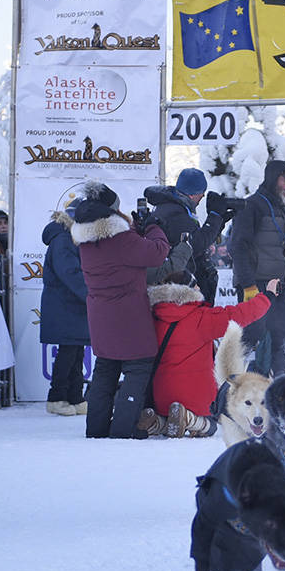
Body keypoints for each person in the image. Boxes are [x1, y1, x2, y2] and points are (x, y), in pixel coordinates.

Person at [73, 182, 170, 438]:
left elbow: (121, 255)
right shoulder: (123, 239)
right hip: (130, 320)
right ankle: (122, 430)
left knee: (105, 372)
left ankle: (96, 429)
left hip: (101, 319)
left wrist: (136, 231)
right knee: (137, 371)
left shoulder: (86, 241)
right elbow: (158, 253)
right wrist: (152, 227)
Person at [143, 273, 278, 439]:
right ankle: (188, 418)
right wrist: (268, 296)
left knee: (165, 413)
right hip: (195, 398)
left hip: (160, 394)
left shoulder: (152, 317)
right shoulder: (201, 317)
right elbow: (241, 313)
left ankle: (156, 421)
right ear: (189, 290)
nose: (200, 288)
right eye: (196, 285)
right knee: (211, 426)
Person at [229, 159, 285, 376]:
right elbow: (238, 246)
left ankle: (284, 390)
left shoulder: (280, 209)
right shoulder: (251, 206)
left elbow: (281, 251)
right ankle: (231, 384)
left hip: (278, 287)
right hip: (256, 285)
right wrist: (248, 285)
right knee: (250, 338)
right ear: (272, 178)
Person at [145, 167, 233, 306]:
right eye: (201, 193)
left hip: (176, 279)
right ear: (192, 194)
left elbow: (193, 238)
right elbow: (196, 245)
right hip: (179, 284)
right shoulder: (176, 214)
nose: (203, 197)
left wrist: (219, 222)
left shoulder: (173, 207)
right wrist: (215, 217)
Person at [41, 200, 90, 417]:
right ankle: (57, 397)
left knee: (76, 351)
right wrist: (92, 295)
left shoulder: (71, 238)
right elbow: (70, 273)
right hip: (65, 304)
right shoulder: (63, 240)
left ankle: (75, 397)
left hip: (72, 304)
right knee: (68, 352)